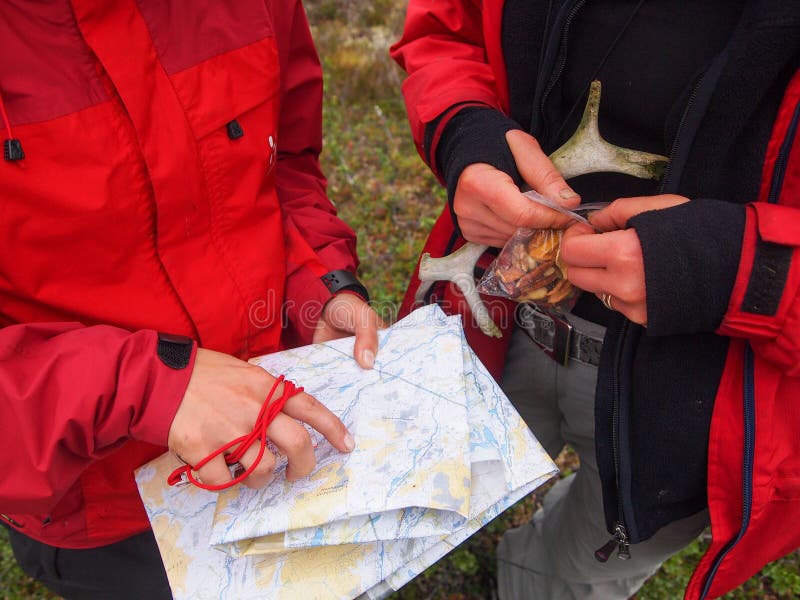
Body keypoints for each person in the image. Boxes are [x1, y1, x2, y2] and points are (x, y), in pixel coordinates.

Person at [391, 1, 800, 598]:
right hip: (497, 320)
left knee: (577, 568)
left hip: (697, 398)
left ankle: (530, 574)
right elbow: (447, 27)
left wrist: (738, 268)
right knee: (426, 489)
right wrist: (464, 129)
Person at [0, 1, 383, 598]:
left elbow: (284, 167)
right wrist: (142, 387)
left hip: (281, 435)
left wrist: (319, 283)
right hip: (109, 509)